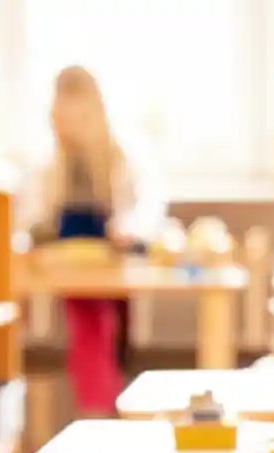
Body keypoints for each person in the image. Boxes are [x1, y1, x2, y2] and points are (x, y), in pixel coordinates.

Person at [17, 66, 166, 416]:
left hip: (115, 260)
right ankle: (99, 411)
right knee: (91, 327)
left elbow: (144, 204)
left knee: (115, 337)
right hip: (70, 268)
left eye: (80, 117)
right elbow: (35, 216)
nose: (72, 127)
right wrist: (36, 236)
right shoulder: (49, 165)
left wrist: (127, 228)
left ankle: (115, 404)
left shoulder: (121, 157)